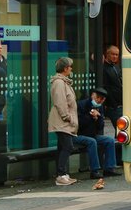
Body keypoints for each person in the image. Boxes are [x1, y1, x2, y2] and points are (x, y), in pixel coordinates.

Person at [75, 87, 119, 182]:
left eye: (102, 99)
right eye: (98, 97)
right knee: (92, 141)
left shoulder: (100, 107)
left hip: (92, 134)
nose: (99, 100)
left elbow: (100, 127)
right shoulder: (82, 105)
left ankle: (109, 168)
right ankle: (94, 170)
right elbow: (78, 123)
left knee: (109, 140)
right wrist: (91, 117)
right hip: (79, 135)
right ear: (92, 96)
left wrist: (98, 117)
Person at [48, 57, 79, 186]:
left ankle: (63, 174)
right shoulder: (59, 83)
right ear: (65, 68)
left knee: (62, 147)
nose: (71, 69)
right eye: (70, 67)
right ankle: (61, 175)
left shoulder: (63, 82)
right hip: (62, 121)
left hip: (63, 121)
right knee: (68, 146)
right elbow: (60, 102)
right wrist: (67, 117)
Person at [102, 45, 123, 125]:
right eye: (113, 54)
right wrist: (112, 104)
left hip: (120, 103)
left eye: (117, 55)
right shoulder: (103, 68)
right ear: (107, 54)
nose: (115, 56)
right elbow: (106, 87)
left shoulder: (116, 67)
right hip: (113, 106)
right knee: (121, 128)